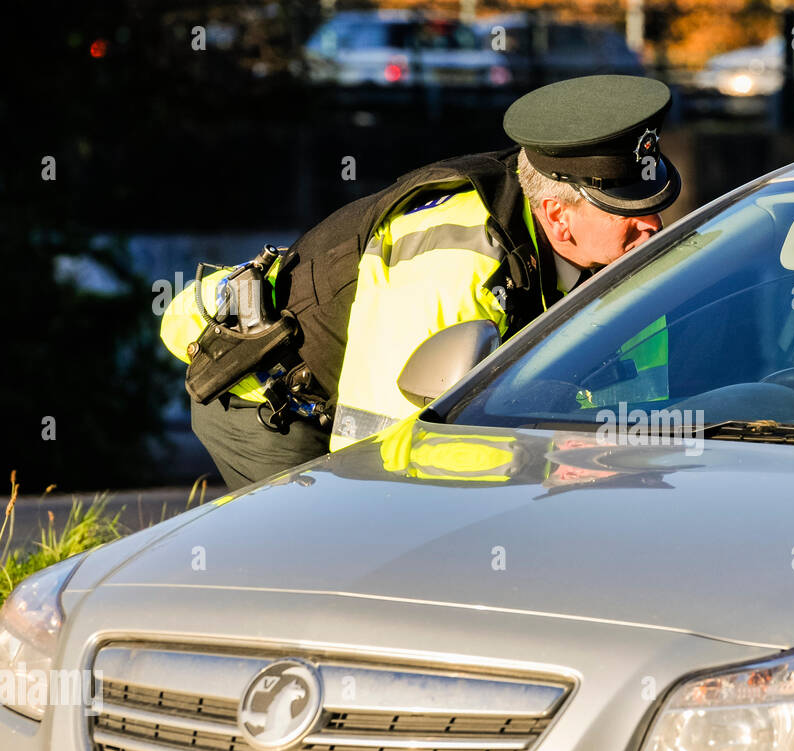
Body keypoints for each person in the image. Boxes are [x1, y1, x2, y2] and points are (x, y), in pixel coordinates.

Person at [161, 75, 681, 489]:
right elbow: (382, 458)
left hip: (370, 407)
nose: (652, 225)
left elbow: (630, 405)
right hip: (274, 401)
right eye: (625, 212)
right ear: (558, 215)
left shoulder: (613, 252)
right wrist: (543, 465)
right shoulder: (451, 268)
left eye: (654, 206)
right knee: (332, 563)